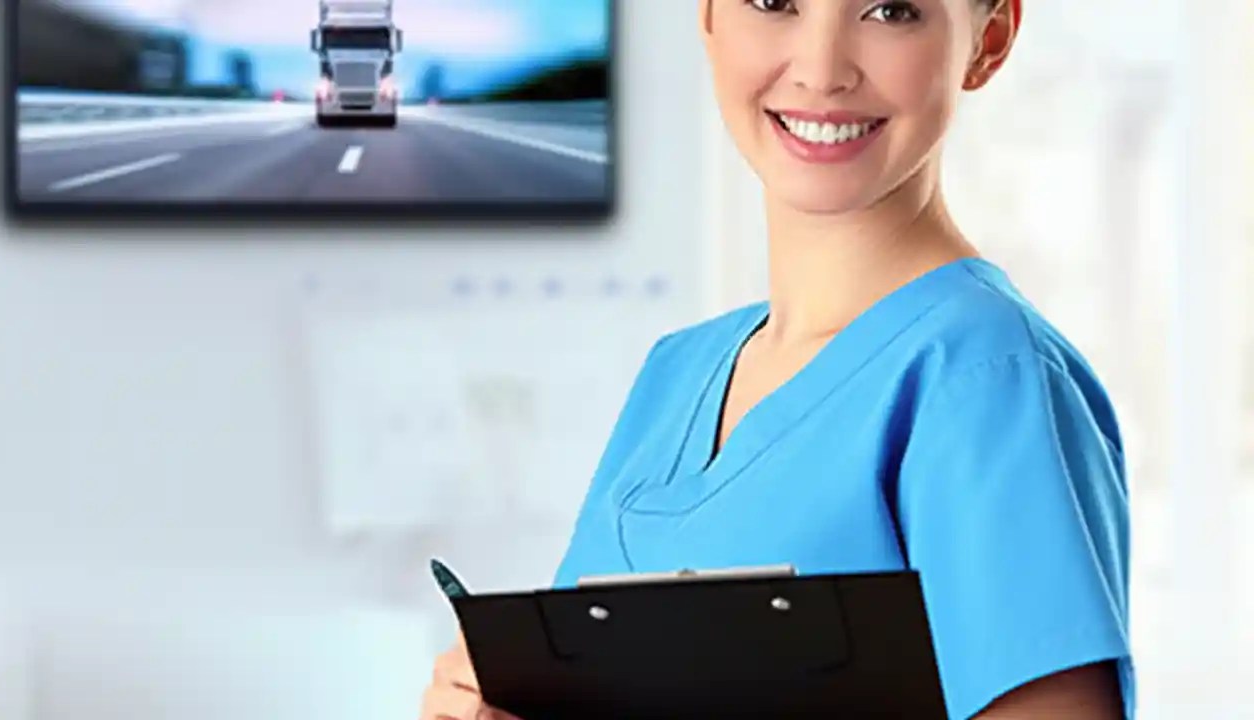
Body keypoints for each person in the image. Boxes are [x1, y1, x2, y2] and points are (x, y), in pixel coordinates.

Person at [419, 0, 1134, 717]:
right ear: (707, 15)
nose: (821, 71)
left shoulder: (986, 379)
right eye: (772, 2)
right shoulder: (676, 375)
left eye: (891, 10)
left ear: (991, 38)